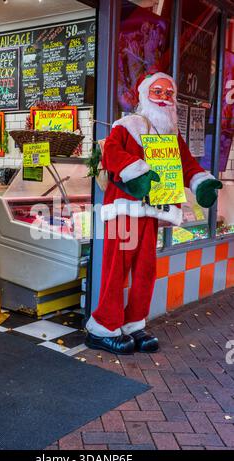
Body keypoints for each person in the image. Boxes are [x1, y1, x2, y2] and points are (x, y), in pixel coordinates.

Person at [85, 71, 223, 355]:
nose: (164, 98)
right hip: (124, 210)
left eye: (169, 93)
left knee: (146, 271)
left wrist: (202, 182)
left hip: (152, 212)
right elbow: (111, 154)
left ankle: (134, 324)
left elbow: (187, 166)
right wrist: (135, 173)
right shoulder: (128, 124)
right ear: (144, 95)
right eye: (157, 92)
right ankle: (103, 326)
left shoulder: (173, 135)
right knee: (116, 270)